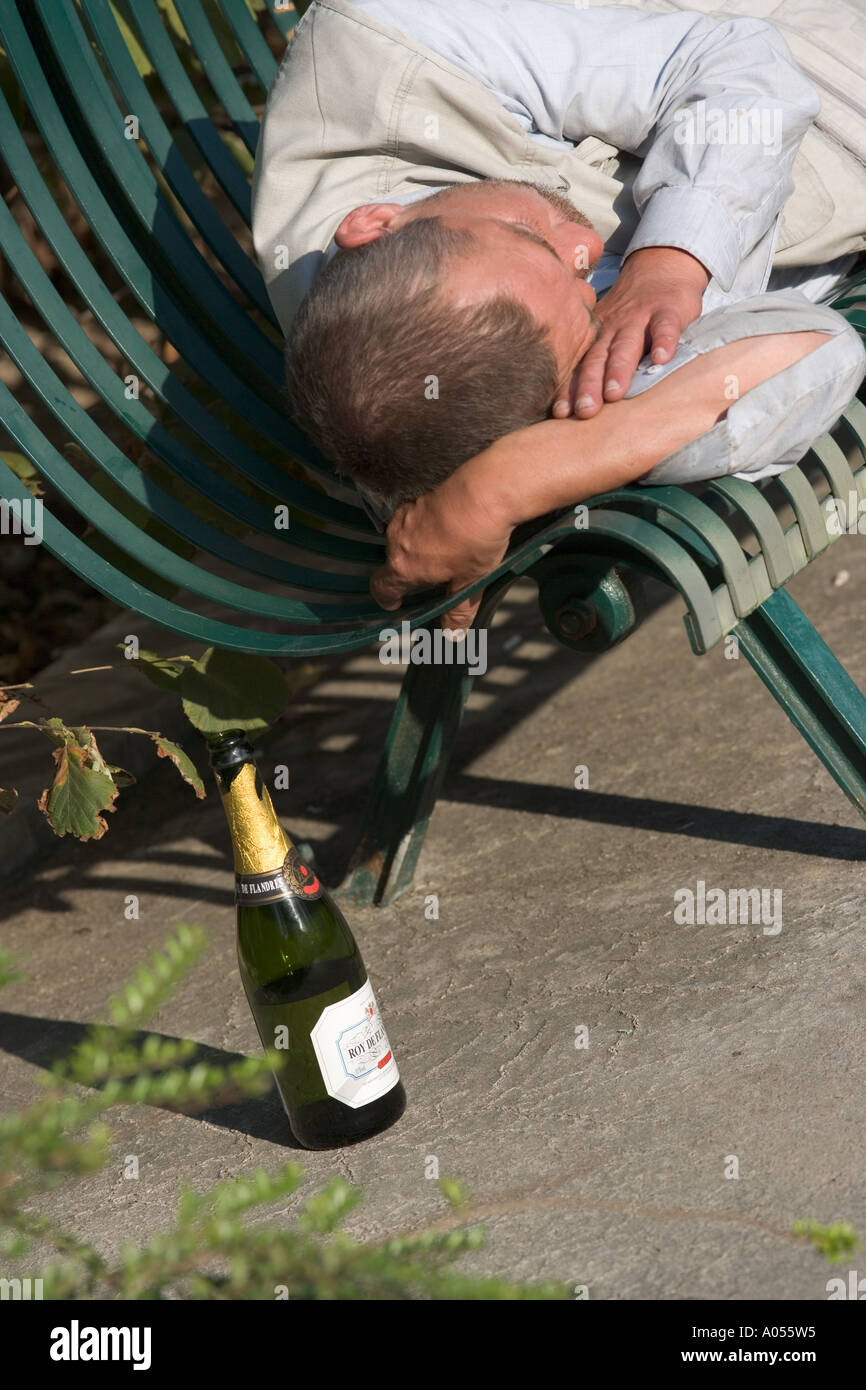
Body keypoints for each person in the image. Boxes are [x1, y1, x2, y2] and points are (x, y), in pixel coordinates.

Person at [252, 0, 866, 629]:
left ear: (378, 220)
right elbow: (814, 350)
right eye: (582, 287)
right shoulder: (441, 397)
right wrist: (507, 482)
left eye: (524, 233)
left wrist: (668, 263)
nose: (586, 248)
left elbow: (736, 58)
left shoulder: (387, 35)